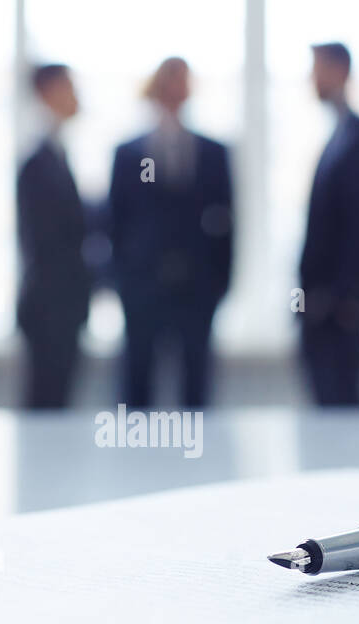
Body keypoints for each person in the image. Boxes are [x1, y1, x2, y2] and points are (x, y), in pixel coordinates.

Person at [109, 57, 233, 409]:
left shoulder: (212, 152)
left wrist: (222, 280)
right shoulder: (130, 154)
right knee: (138, 383)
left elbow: (225, 220)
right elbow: (116, 222)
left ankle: (198, 459)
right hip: (143, 285)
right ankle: (139, 456)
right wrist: (120, 280)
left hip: (197, 286)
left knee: (197, 385)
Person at [298, 42, 359, 407]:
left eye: (318, 69)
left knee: (343, 406)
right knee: (324, 406)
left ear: (340, 71)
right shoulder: (336, 136)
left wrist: (347, 296)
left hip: (342, 306)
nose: (312, 79)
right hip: (320, 305)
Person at [16, 64, 92, 409]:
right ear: (48, 93)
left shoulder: (58, 155)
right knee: (46, 405)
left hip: (64, 307)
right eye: (69, 87)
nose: (77, 96)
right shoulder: (37, 162)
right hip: (50, 309)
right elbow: (47, 242)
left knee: (57, 402)